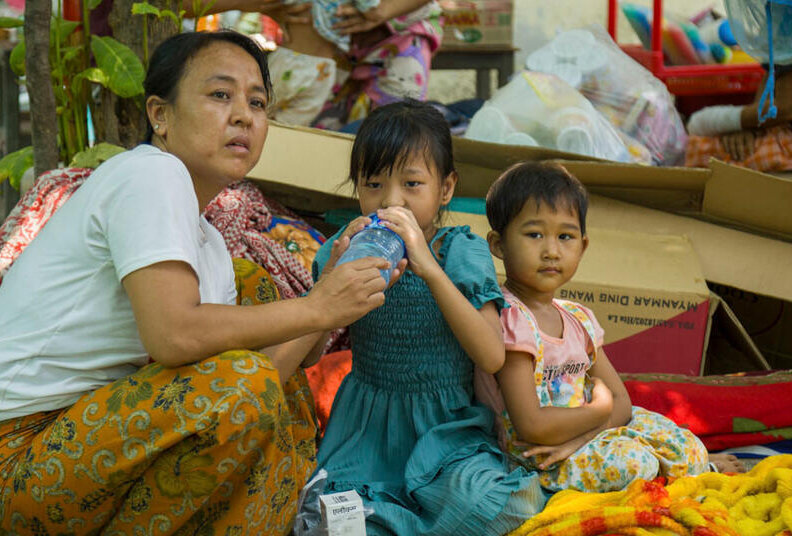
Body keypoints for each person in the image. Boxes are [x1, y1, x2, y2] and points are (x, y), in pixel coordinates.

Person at [0, 30, 393, 533]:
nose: (243, 116)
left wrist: (336, 292)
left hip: (85, 448)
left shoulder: (206, 240)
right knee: (244, 373)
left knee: (263, 348)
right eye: (220, 95)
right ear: (159, 115)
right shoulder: (150, 174)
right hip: (20, 452)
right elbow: (176, 336)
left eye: (257, 102)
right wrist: (318, 307)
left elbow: (267, 380)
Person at [303, 100, 547, 535]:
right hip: (366, 427)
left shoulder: (460, 251)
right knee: (333, 522)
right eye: (373, 184)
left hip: (447, 429)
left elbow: (491, 355)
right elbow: (307, 355)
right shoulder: (346, 246)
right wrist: (330, 285)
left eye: (412, 184)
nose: (391, 202)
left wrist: (430, 269)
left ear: (446, 189)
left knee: (501, 505)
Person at [475, 161, 740, 494]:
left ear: (582, 247)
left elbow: (622, 402)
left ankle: (693, 467)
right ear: (498, 245)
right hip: (542, 459)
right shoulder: (512, 319)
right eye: (534, 234)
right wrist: (598, 410)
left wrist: (588, 432)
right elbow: (533, 426)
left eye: (565, 236)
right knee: (634, 463)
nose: (552, 251)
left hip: (585, 436)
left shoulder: (577, 318)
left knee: (683, 442)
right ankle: (685, 477)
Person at [685, 0, 792, 172]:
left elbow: (790, 107)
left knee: (696, 151)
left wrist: (716, 121)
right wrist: (750, 126)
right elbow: (774, 71)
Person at [261, 0, 442, 128]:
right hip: (327, 53)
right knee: (307, 141)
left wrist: (383, 10)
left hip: (399, 39)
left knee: (394, 139)